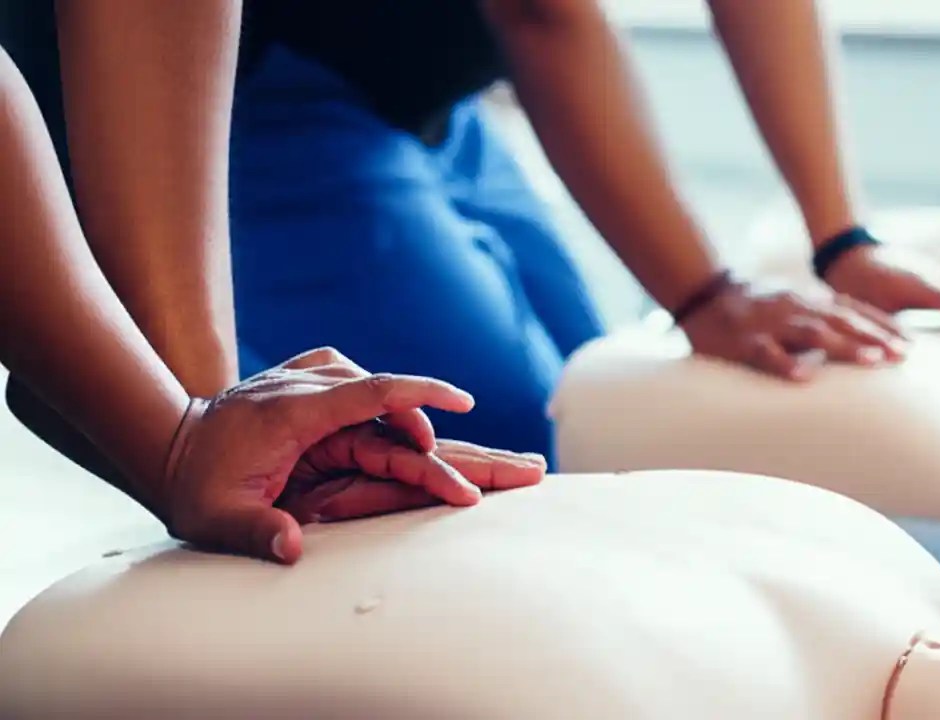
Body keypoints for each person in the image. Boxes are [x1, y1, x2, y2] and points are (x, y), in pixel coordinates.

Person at [230, 0, 940, 465]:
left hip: (443, 100)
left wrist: (842, 241)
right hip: (272, 106)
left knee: (591, 399)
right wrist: (708, 294)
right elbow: (541, 13)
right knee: (515, 441)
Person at [1, 1, 543, 566]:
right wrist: (178, 437)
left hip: (438, 101)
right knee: (490, 421)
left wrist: (202, 429)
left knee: (549, 418)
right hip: (286, 93)